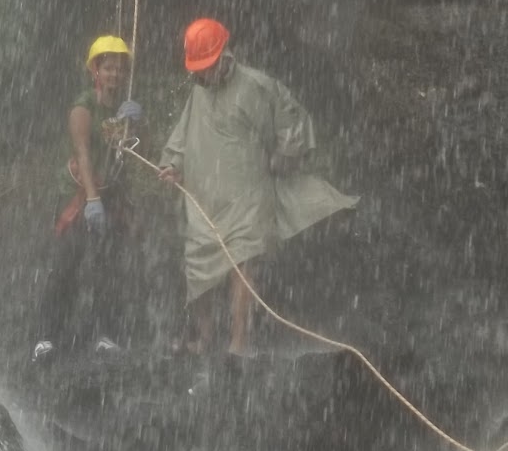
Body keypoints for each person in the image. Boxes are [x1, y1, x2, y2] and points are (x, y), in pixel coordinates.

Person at [158, 18, 358, 355]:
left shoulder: (256, 86)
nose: (204, 74)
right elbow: (182, 135)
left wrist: (284, 158)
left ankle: (238, 344)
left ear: (224, 55)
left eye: (208, 66)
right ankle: (204, 339)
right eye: (199, 69)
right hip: (205, 197)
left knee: (244, 262)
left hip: (249, 194)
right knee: (198, 266)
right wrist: (172, 164)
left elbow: (292, 122)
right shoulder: (198, 92)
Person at [33, 35, 145, 361]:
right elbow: (82, 152)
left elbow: (138, 151)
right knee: (68, 261)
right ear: (95, 70)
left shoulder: (123, 110)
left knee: (109, 264)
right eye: (108, 68)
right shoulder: (84, 107)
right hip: (79, 193)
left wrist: (138, 124)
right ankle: (47, 336)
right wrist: (93, 201)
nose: (115, 75)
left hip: (111, 191)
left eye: (120, 69)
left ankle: (105, 333)